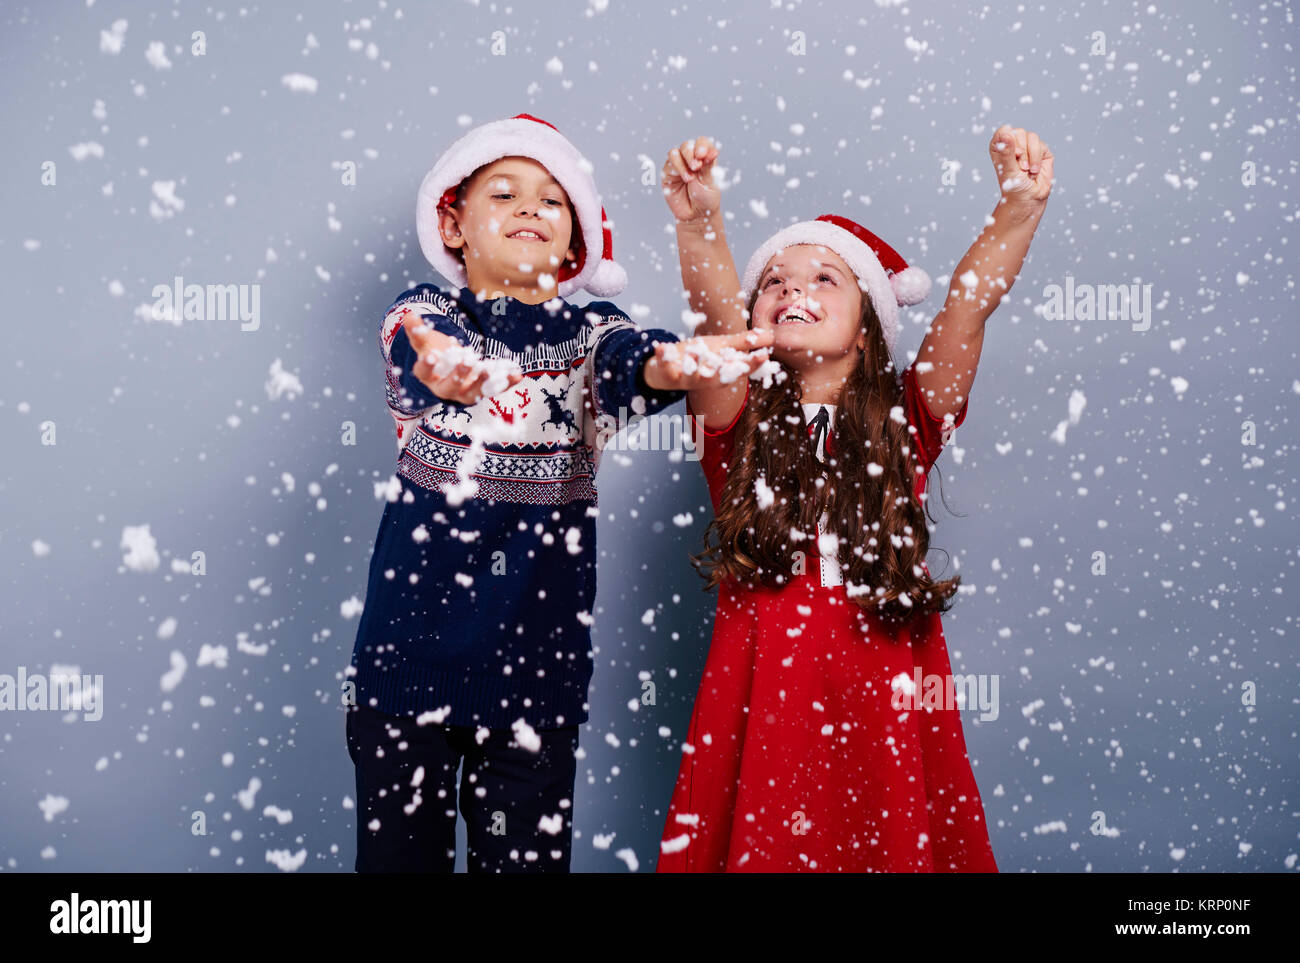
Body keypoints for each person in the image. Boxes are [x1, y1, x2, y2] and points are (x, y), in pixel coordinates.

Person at [345, 114, 771, 873]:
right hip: (406, 669)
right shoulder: (428, 314)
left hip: (535, 680)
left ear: (576, 244)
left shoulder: (590, 332)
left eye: (551, 200)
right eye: (502, 193)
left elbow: (629, 361)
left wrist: (675, 365)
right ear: (454, 226)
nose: (528, 209)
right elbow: (418, 341)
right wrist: (440, 365)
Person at [655, 126, 1054, 871]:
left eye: (822, 279)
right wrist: (701, 223)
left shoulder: (905, 425)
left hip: (886, 704)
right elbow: (714, 322)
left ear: (870, 332)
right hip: (765, 705)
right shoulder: (733, 426)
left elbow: (966, 312)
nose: (791, 290)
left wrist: (1016, 213)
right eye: (773, 281)